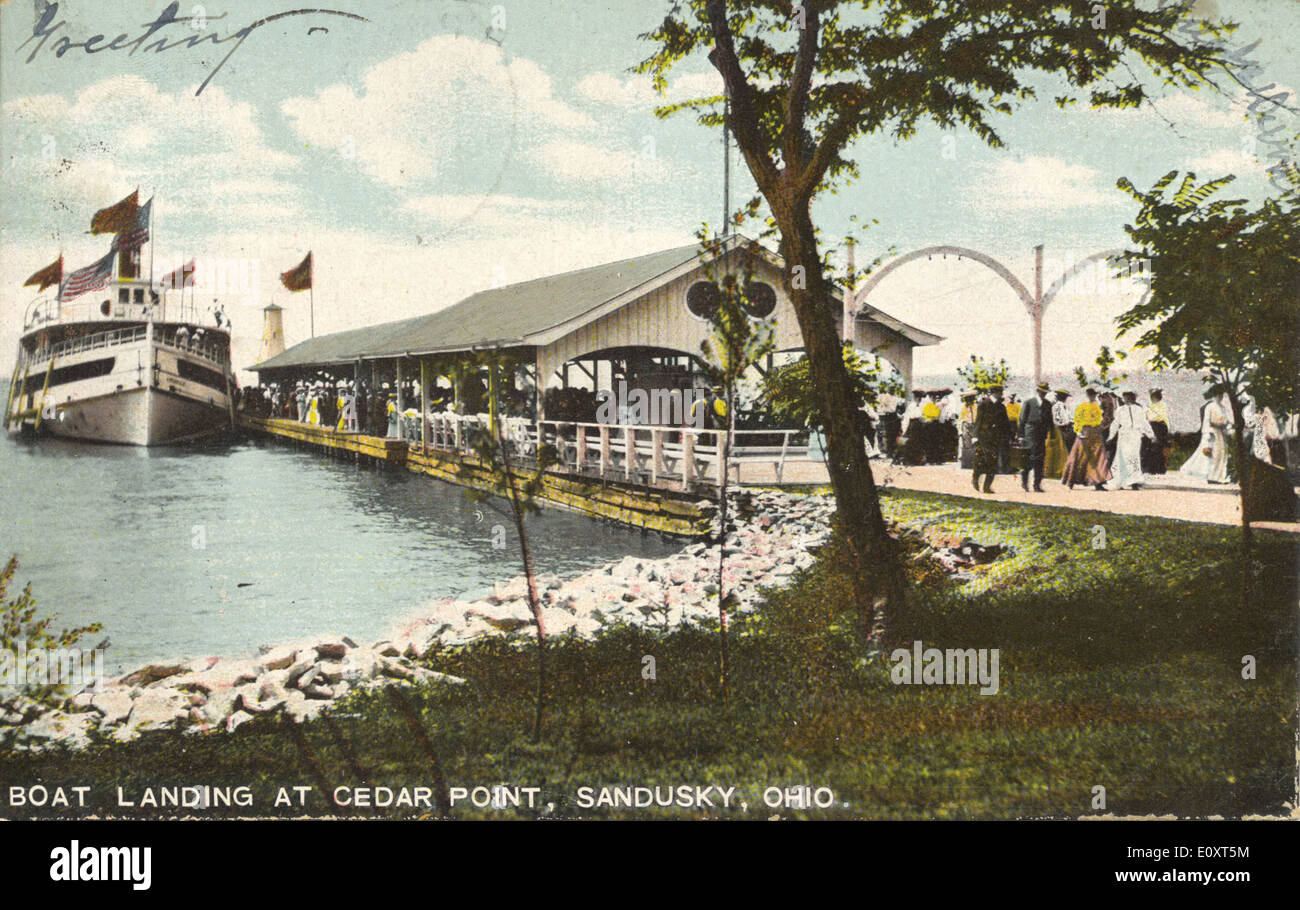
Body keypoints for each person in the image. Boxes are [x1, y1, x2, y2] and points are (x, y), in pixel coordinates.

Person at [1243, 404, 1298, 521]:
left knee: (1282, 481)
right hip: (1267, 453)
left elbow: (1285, 434)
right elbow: (1259, 437)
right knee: (1266, 482)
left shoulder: (1283, 414)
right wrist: (1265, 456)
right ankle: (1264, 514)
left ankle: (1284, 514)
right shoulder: (1263, 413)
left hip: (1278, 450)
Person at [1061, 388, 1110, 490]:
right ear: (1087, 395)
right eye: (1090, 394)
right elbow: (1077, 419)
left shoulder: (1098, 406)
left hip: (1095, 432)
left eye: (1093, 394)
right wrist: (1078, 431)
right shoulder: (1082, 406)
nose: (1092, 396)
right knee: (1079, 456)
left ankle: (1098, 483)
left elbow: (1102, 418)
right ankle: (1071, 481)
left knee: (1098, 457)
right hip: (1085, 431)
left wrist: (1101, 427)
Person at [1107, 390, 1156, 489]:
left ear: (1134, 398)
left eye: (1130, 396)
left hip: (1135, 435)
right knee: (1122, 457)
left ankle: (1134, 481)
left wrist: (1150, 435)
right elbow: (1115, 424)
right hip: (1124, 435)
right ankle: (1120, 481)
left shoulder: (1139, 409)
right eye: (1125, 397)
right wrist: (1111, 436)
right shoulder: (1120, 410)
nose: (1128, 399)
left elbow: (1144, 423)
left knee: (1134, 457)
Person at [972, 384, 1009, 493]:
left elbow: (1005, 423)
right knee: (981, 461)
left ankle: (987, 486)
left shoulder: (1001, 407)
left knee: (993, 463)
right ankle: (975, 478)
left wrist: (1010, 435)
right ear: (995, 392)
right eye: (1000, 392)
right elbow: (978, 421)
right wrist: (975, 436)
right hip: (984, 437)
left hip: (996, 438)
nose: (1001, 394)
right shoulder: (983, 404)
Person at [1018, 381, 1052, 492]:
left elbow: (1049, 421)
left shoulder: (1047, 404)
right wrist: (1021, 436)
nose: (1043, 394)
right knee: (1028, 458)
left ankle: (1037, 485)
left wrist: (1049, 434)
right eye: (1042, 392)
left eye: (1045, 392)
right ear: (1038, 391)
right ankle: (1024, 482)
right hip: (1030, 433)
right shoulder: (1029, 402)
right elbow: (1022, 420)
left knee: (1039, 460)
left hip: (1041, 435)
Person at [1141, 388, 1169, 475]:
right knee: (1148, 447)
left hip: (1159, 426)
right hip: (1150, 426)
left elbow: (1162, 417)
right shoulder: (1148, 405)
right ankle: (1148, 468)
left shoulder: (1162, 405)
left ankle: (1159, 468)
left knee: (1158, 447)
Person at [958, 390, 978, 470]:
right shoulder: (963, 407)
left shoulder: (975, 406)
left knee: (974, 444)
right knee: (966, 444)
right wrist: (960, 430)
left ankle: (973, 462)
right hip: (965, 425)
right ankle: (966, 463)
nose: (969, 400)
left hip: (973, 425)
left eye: (971, 398)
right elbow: (960, 419)